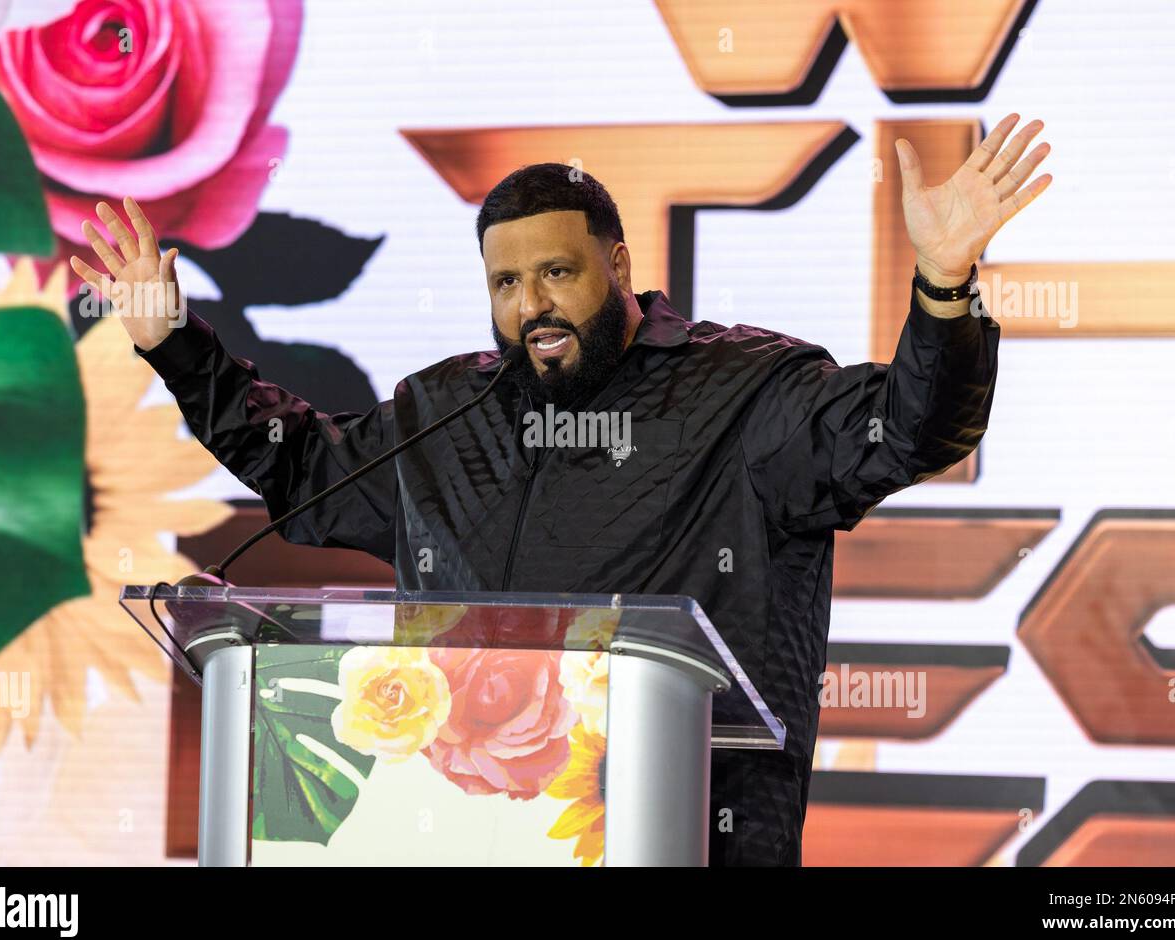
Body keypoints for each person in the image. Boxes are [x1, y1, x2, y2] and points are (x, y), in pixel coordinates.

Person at [71, 113, 1051, 866]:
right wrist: (174, 345)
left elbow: (911, 431)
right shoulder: (441, 414)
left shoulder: (747, 391)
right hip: (455, 839)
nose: (530, 305)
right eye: (505, 284)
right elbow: (301, 468)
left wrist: (942, 286)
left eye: (555, 273)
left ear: (617, 264)